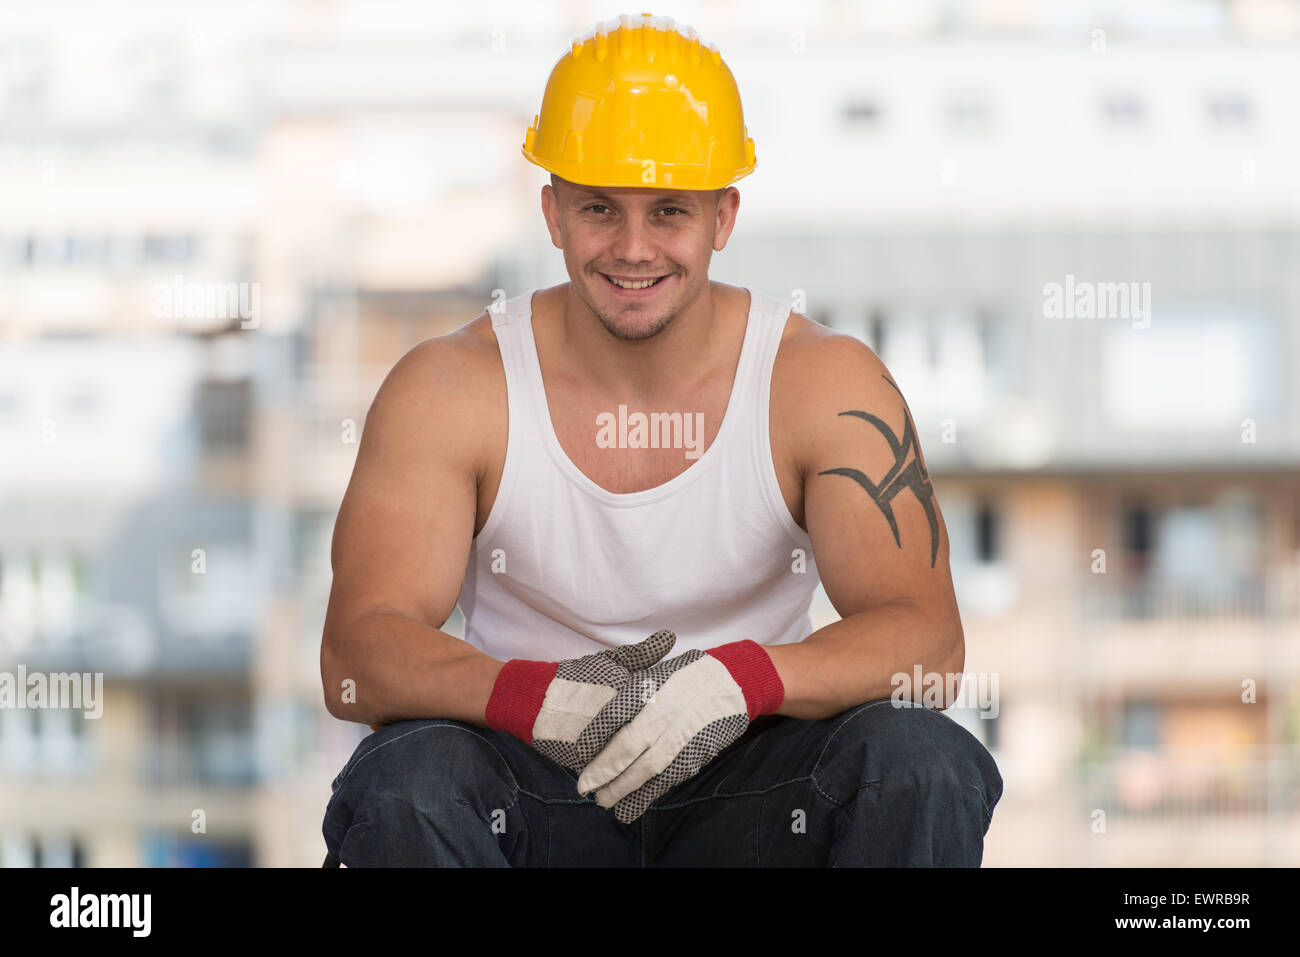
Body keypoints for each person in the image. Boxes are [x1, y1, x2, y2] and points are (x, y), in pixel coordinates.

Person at [320, 12, 1002, 867]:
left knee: (922, 762)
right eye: (600, 208)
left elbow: (929, 647)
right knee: (406, 780)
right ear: (552, 211)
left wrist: (741, 680)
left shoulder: (821, 381)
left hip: (755, 788)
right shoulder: (451, 387)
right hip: (529, 790)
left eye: (669, 211)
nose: (634, 249)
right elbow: (355, 654)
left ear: (724, 216)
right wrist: (536, 698)